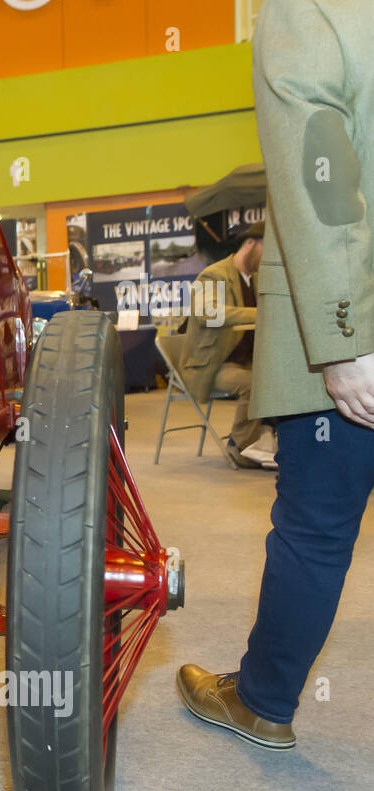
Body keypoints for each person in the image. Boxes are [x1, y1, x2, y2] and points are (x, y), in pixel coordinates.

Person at [178, 0, 374, 749]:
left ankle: (261, 700)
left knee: (316, 531)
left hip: (352, 332)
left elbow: (320, 178)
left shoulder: (309, 11)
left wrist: (346, 341)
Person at [178, 221, 272, 467]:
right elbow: (210, 313)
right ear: (250, 244)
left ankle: (268, 438)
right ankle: (238, 446)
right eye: (266, 248)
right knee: (254, 385)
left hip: (244, 361)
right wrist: (261, 313)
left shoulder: (257, 278)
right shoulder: (214, 275)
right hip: (213, 364)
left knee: (282, 377)